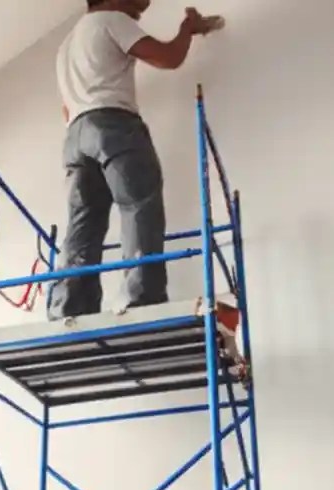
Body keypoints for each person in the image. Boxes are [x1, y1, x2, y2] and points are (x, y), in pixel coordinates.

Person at [49, 0, 220, 320]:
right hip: (112, 124)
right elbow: (169, 58)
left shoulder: (66, 46)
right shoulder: (110, 20)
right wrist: (188, 30)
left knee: (84, 224)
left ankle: (69, 308)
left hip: (74, 135)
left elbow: (65, 109)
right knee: (139, 203)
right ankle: (141, 299)